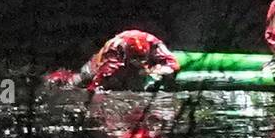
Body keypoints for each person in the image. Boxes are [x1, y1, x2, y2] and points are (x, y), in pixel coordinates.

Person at [44, 29, 180, 93]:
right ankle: (52, 78)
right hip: (97, 65)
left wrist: (156, 71)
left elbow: (173, 64)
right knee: (77, 81)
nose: (139, 62)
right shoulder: (114, 50)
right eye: (135, 59)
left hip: (136, 68)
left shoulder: (153, 42)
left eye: (141, 58)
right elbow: (99, 80)